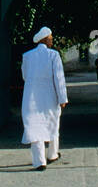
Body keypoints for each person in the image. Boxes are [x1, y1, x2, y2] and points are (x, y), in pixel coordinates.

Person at [21, 26, 67, 170]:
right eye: (51, 39)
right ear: (45, 39)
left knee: (35, 127)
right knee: (52, 123)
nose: (52, 42)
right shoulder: (53, 55)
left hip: (31, 97)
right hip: (49, 96)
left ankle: (39, 162)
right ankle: (52, 154)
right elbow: (59, 78)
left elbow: (24, 76)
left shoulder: (27, 56)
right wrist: (62, 98)